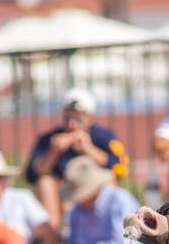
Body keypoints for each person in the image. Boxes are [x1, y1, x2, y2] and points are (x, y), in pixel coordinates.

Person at [25, 88, 129, 231]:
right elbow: (31, 174)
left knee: (109, 180)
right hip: (63, 193)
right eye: (67, 118)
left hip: (92, 192)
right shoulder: (49, 139)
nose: (71, 125)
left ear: (89, 118)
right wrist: (53, 152)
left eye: (77, 120)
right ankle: (53, 234)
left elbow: (119, 167)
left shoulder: (103, 135)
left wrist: (89, 149)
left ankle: (109, 228)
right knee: (45, 182)